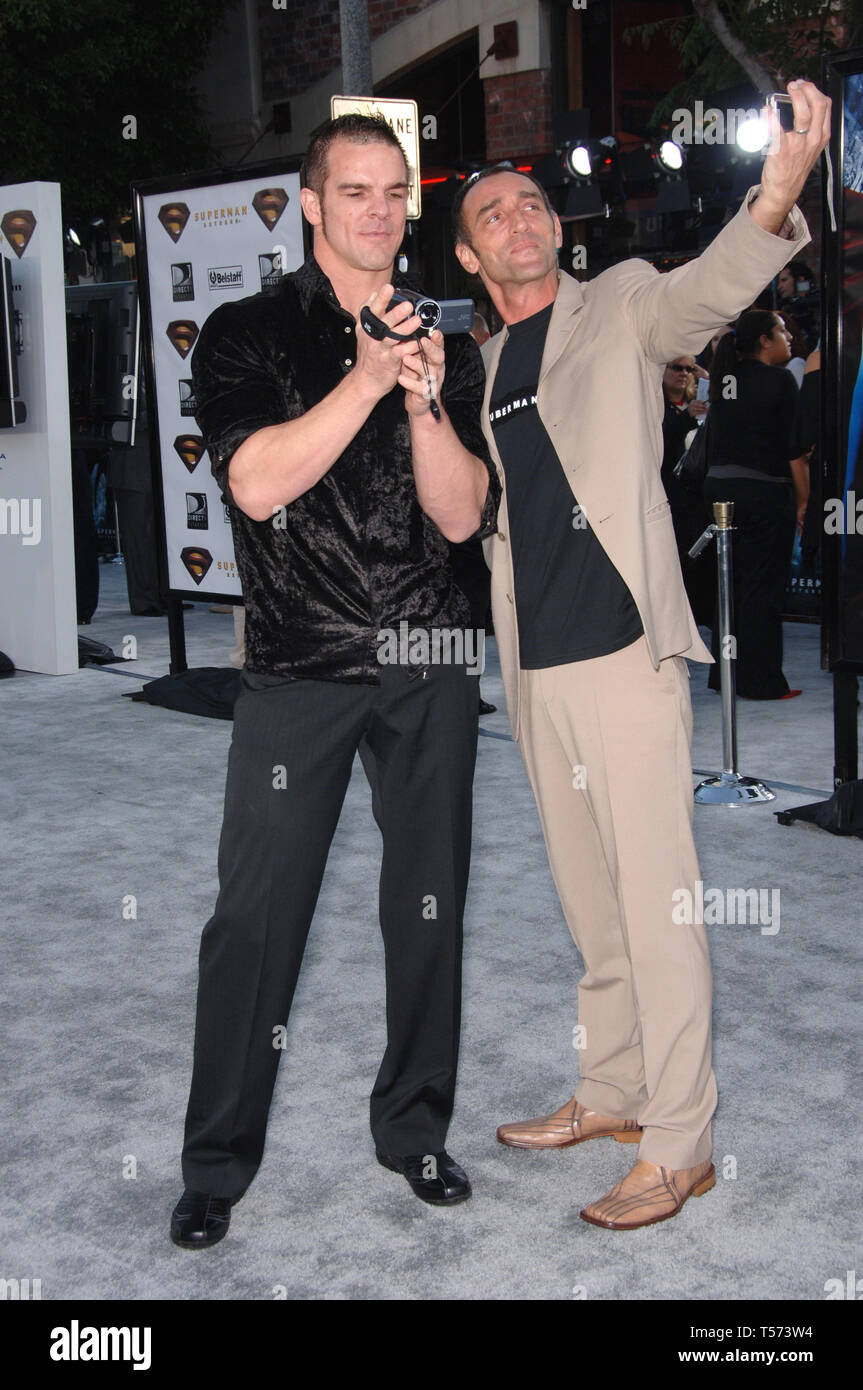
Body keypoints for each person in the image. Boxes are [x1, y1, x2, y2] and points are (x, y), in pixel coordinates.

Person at [452, 79, 829, 1230]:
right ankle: (612, 1089)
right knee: (589, 902)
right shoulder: (475, 374)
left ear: (551, 230)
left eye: (528, 204)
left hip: (622, 655)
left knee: (657, 906)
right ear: (468, 259)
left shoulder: (613, 303)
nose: (518, 219)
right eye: (491, 215)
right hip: (535, 670)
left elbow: (702, 294)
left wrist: (774, 190)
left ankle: (680, 1141)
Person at [170, 113, 499, 1248]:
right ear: (309, 203)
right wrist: (364, 380)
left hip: (428, 654)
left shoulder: (437, 335)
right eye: (353, 189)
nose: (376, 210)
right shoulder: (245, 330)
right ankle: (216, 1161)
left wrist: (418, 397)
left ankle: (414, 1128)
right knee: (254, 917)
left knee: (429, 908)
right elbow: (256, 485)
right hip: (300, 661)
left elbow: (462, 514)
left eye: (393, 191)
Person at [704, 310, 809, 699]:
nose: (789, 339)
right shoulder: (779, 380)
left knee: (729, 583)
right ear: (764, 340)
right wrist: (804, 502)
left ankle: (726, 675)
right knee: (762, 588)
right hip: (764, 494)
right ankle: (762, 681)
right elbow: (793, 450)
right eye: (781, 332)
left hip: (720, 491)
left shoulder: (724, 378)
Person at [659, 356, 714, 628]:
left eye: (689, 369)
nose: (683, 374)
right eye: (677, 367)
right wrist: (685, 418)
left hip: (695, 495)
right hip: (666, 494)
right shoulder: (654, 404)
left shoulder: (701, 404)